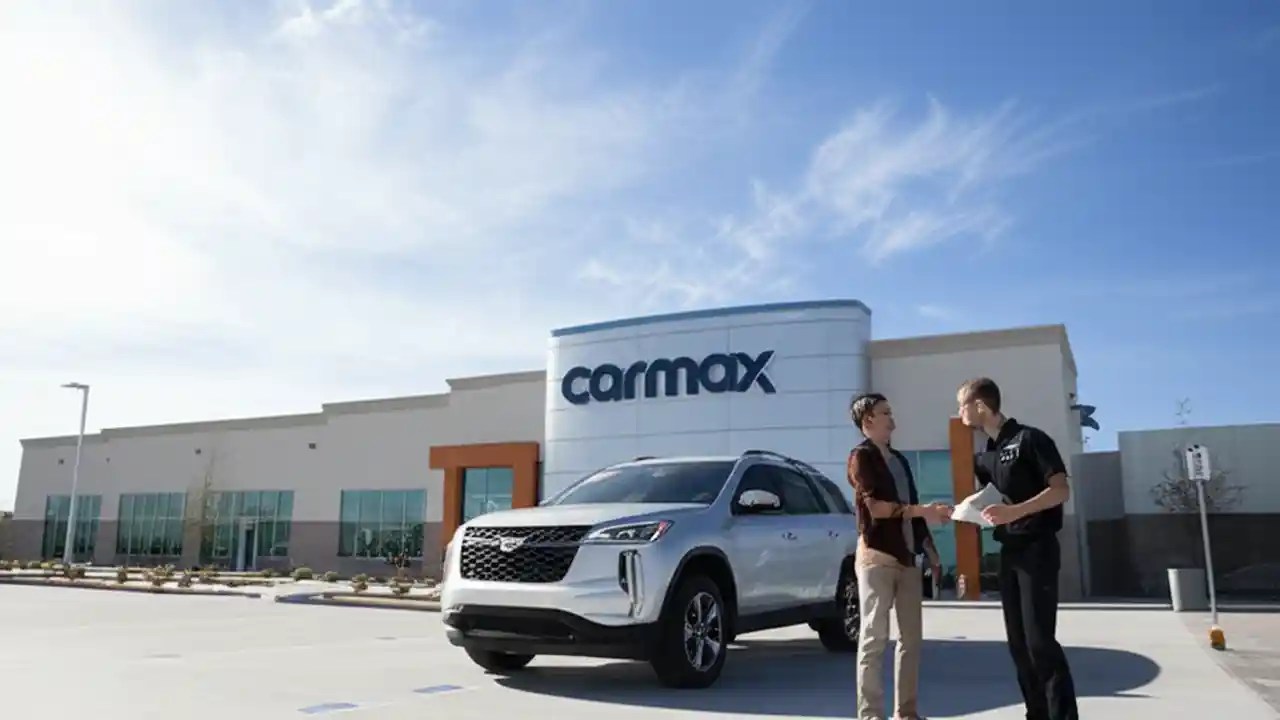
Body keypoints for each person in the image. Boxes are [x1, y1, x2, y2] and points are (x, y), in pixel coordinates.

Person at [956, 377, 1079, 720]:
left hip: (1038, 548)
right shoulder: (986, 457)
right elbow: (993, 502)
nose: (959, 412)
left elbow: (1060, 491)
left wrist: (1015, 511)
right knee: (1019, 645)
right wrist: (965, 510)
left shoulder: (1030, 439)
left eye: (961, 404)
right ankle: (1035, 713)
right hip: (1008, 553)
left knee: (1040, 642)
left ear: (980, 406)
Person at [847, 392, 950, 720]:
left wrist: (931, 550)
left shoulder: (901, 461)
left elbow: (913, 509)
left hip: (907, 559)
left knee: (911, 640)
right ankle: (870, 715)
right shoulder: (861, 457)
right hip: (877, 557)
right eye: (885, 413)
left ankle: (907, 713)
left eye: (891, 411)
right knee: (874, 639)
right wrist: (923, 511)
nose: (893, 418)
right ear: (868, 422)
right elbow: (875, 508)